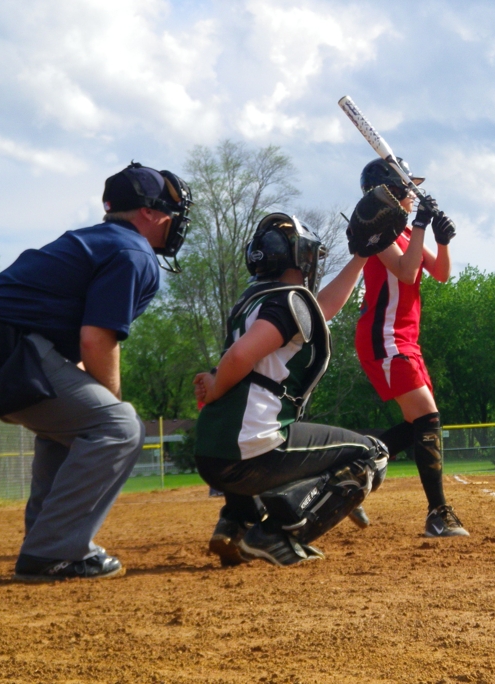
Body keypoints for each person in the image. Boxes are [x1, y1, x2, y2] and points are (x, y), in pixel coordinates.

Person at [0, 162, 193, 581]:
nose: (173, 222)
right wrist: (111, 407)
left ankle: (47, 543)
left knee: (75, 425)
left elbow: (81, 354)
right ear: (146, 212)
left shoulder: (101, 240)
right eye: (168, 212)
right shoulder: (133, 252)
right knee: (118, 425)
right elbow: (96, 340)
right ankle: (52, 551)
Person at [194, 213, 388, 567]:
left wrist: (360, 255)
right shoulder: (286, 301)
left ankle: (234, 523)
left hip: (213, 451)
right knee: (372, 454)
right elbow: (240, 355)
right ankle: (276, 534)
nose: (312, 264)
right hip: (250, 448)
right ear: (296, 258)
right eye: (309, 256)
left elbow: (323, 308)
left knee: (270, 431)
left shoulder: (255, 300)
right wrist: (218, 387)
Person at [352, 158, 469, 537]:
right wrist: (419, 223)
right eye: (406, 188)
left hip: (405, 338)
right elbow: (404, 270)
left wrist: (441, 239)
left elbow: (441, 273)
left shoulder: (403, 232)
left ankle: (343, 479)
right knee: (428, 417)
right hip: (383, 336)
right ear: (391, 192)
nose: (410, 195)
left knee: (414, 424)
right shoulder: (377, 232)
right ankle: (438, 512)